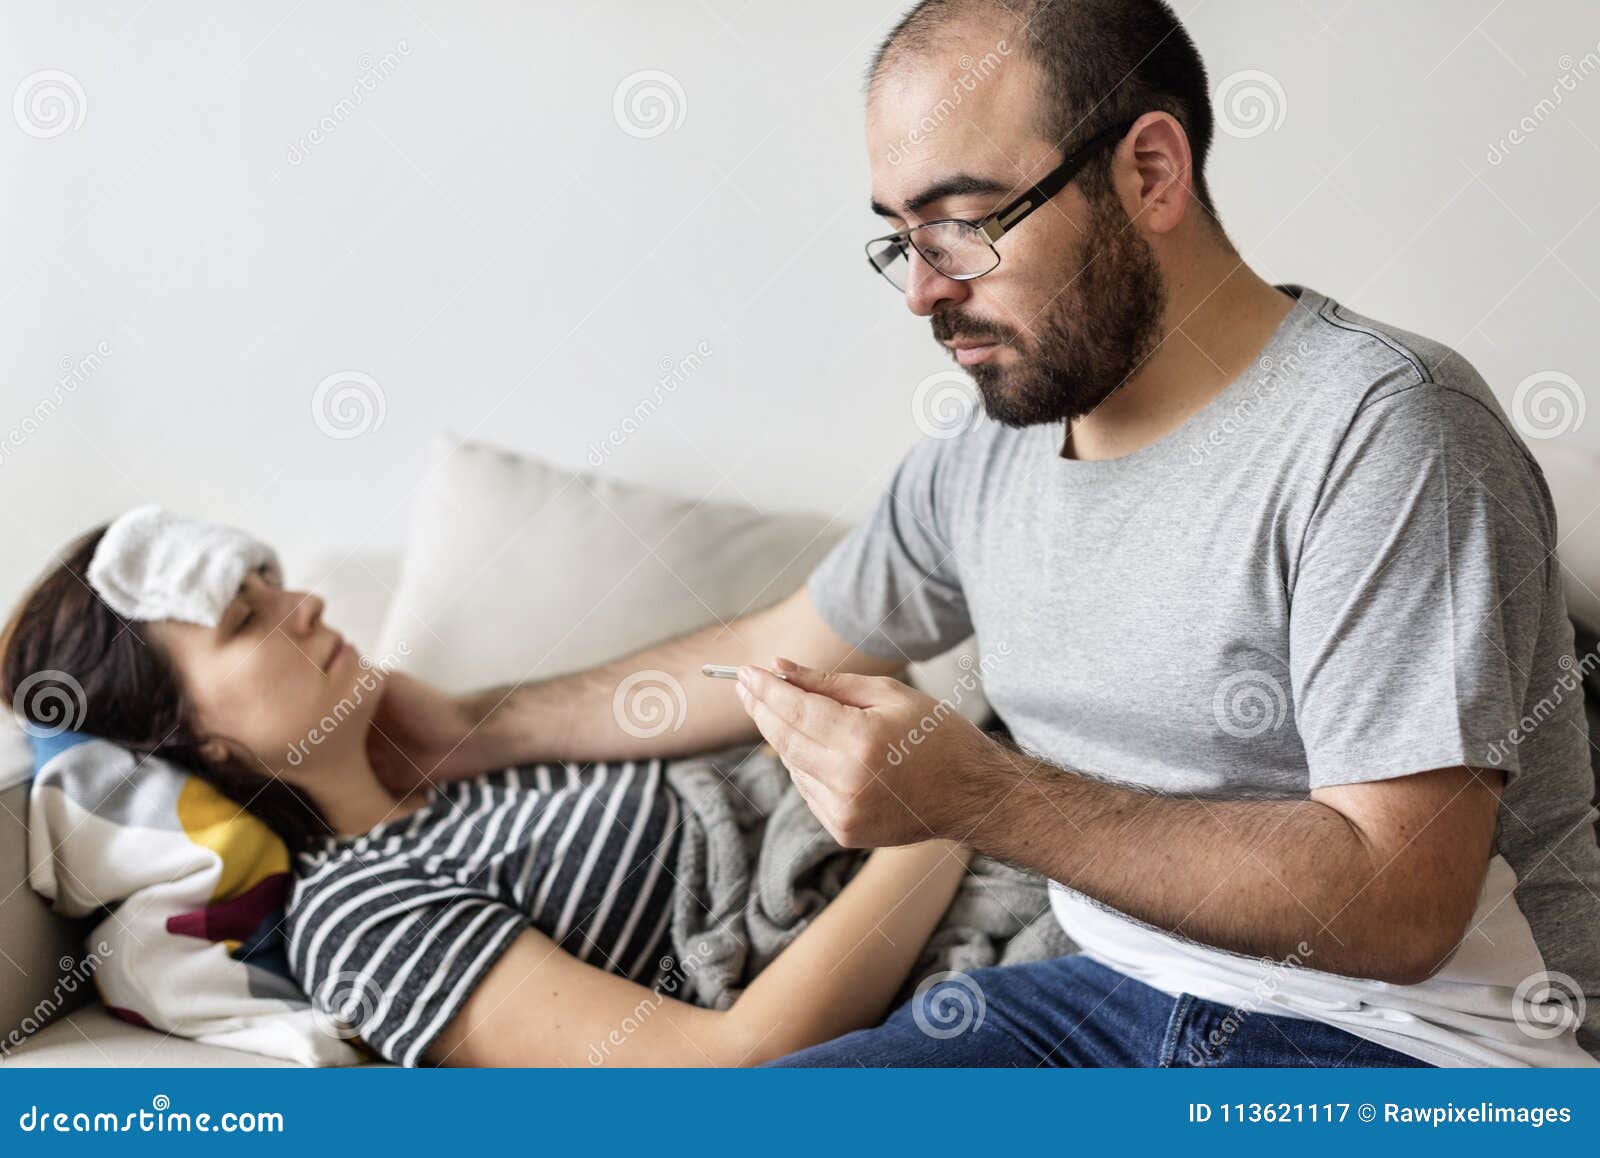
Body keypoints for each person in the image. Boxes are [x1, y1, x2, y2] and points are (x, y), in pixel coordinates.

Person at [371, 0, 1600, 1067]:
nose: (921, 290)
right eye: (900, 237)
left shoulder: (1385, 430)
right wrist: (476, 726)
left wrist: (976, 796)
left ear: (1150, 174)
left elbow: (1398, 903)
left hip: (1419, 1046)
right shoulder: (987, 455)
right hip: (1102, 997)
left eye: (961, 222)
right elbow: (780, 643)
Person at [1, 526, 971, 1067]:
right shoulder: (357, 913)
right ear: (196, 740)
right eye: (249, 617)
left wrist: (476, 726)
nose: (305, 603)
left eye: (271, 579)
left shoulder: (466, 771)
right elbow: (729, 1069)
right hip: (957, 892)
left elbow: (808, 648)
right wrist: (950, 813)